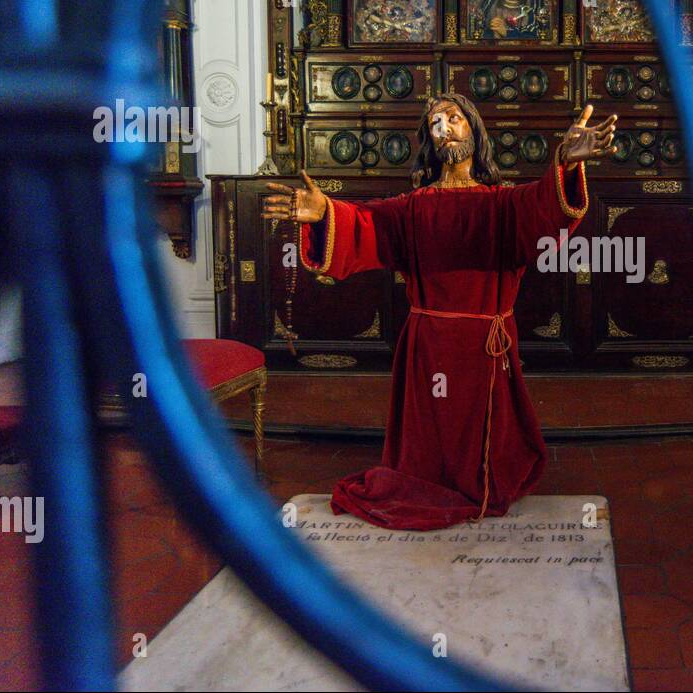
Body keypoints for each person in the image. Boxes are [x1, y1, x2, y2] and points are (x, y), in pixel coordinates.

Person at [262, 95, 617, 530]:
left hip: (484, 345)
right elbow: (364, 225)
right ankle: (425, 480)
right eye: (435, 122)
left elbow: (543, 209)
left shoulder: (503, 205)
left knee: (479, 437)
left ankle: (479, 480)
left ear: (474, 129)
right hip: (428, 342)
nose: (445, 126)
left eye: (454, 118)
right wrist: (325, 214)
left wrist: (563, 161)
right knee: (429, 436)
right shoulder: (410, 209)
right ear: (429, 140)